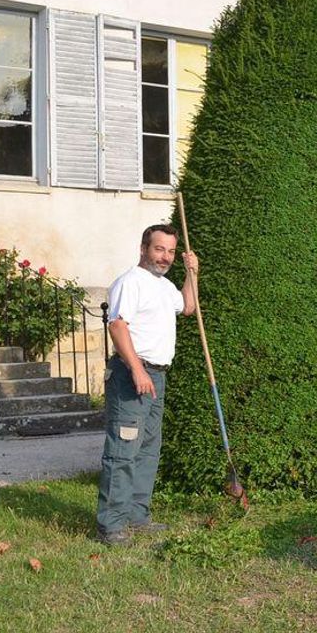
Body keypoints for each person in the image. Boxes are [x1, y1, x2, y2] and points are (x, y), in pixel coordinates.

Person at [96, 224, 198, 545]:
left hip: (157, 376)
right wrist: (137, 369)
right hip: (132, 375)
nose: (165, 257)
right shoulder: (130, 282)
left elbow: (189, 307)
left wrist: (191, 273)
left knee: (148, 450)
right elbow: (117, 325)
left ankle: (136, 516)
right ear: (143, 249)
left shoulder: (165, 286)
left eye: (170, 251)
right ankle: (110, 525)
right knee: (123, 450)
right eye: (159, 249)